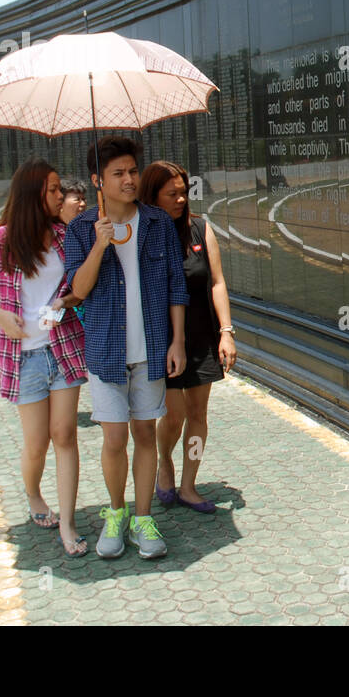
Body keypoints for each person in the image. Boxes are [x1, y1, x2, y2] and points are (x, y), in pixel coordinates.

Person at [0, 157, 88, 556]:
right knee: (37, 443)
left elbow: (81, 285)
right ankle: (33, 495)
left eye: (60, 188)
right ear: (32, 195)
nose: (60, 195)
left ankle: (68, 523)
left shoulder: (65, 235)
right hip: (22, 358)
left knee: (64, 434)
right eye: (52, 189)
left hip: (63, 347)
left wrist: (66, 299)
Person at [65, 136, 188, 560]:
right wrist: (101, 243)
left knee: (144, 433)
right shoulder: (81, 230)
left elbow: (176, 286)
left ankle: (142, 517)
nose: (129, 179)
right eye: (118, 173)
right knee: (114, 437)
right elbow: (78, 291)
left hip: (153, 347)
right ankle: (114, 514)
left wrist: (177, 341)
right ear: (98, 180)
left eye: (133, 171)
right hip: (105, 350)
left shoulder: (156, 222)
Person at [139, 160, 236, 514]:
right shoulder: (143, 236)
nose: (181, 199)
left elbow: (217, 282)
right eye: (172, 194)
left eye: (184, 192)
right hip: (161, 339)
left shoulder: (200, 229)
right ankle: (164, 461)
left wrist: (226, 332)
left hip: (201, 336)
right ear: (153, 196)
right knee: (174, 414)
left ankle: (189, 484)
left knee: (198, 413)